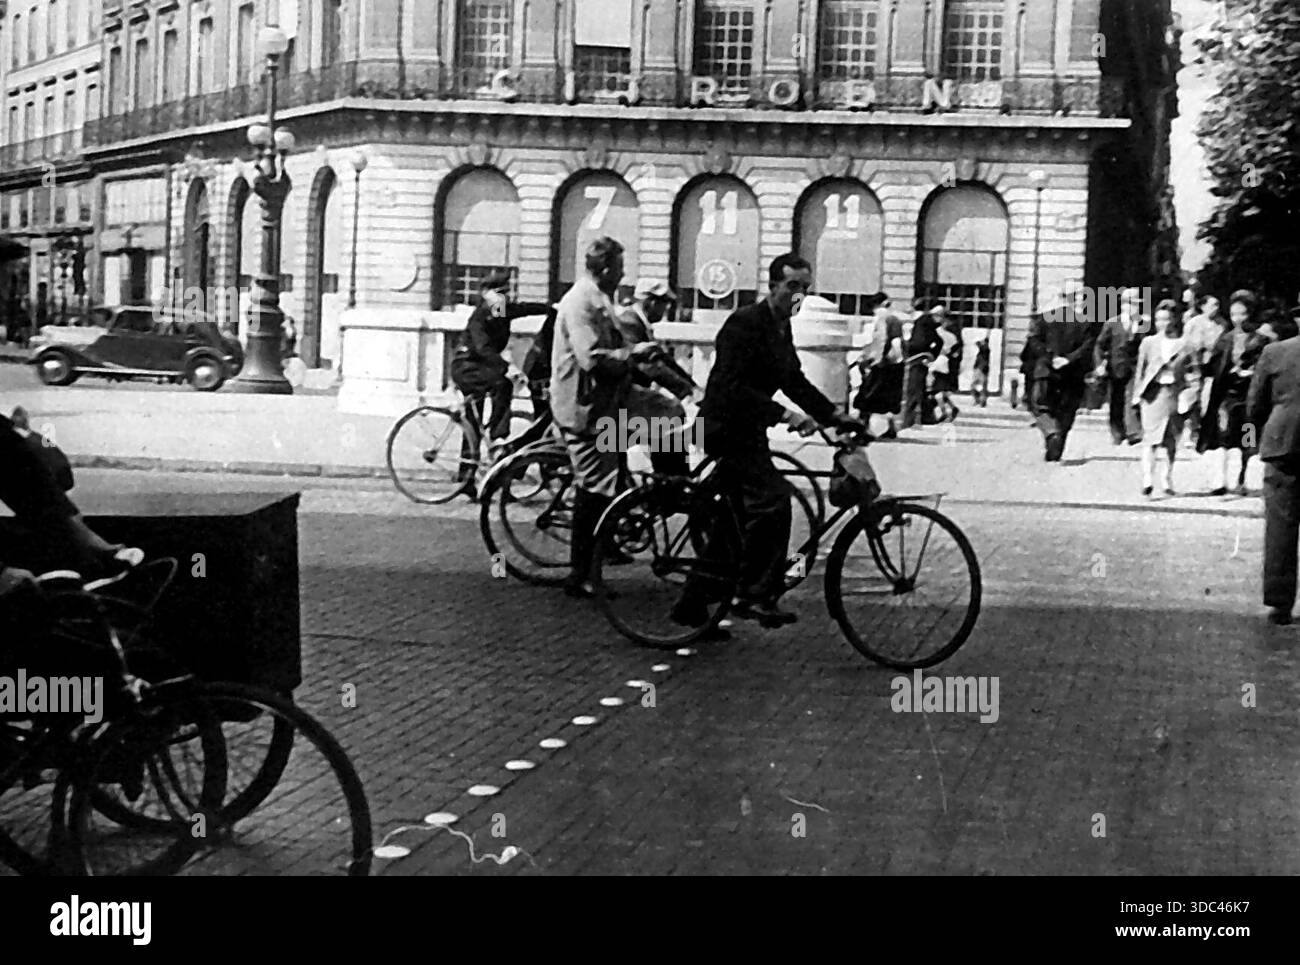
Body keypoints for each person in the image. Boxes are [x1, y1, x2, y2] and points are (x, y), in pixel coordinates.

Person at [671, 253, 860, 631]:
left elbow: (794, 381)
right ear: (772, 285)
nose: (798, 296)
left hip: (746, 431)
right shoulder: (744, 324)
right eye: (792, 286)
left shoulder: (780, 326)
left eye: (805, 288)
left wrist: (832, 415)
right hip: (725, 429)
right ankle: (754, 595)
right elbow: (730, 389)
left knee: (732, 525)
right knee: (773, 503)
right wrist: (784, 415)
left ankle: (691, 605)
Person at [550, 237, 662, 599]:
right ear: (607, 268)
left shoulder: (598, 297)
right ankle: (581, 574)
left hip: (607, 405)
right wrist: (634, 352)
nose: (624, 273)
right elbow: (592, 358)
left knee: (671, 418)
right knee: (596, 488)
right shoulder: (581, 301)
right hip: (586, 411)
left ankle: (668, 487)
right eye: (620, 266)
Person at [450, 271, 552, 495]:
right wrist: (509, 367)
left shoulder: (500, 311)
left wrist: (549, 307)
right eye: (499, 293)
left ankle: (467, 478)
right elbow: (483, 348)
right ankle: (497, 434)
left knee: (472, 426)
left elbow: (523, 309)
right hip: (466, 367)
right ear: (485, 294)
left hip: (482, 369)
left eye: (506, 292)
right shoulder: (480, 316)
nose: (504, 298)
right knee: (502, 384)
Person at [1247, 328, 1300, 624]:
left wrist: (1256, 438)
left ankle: (1280, 603)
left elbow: (1255, 402)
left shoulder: (1275, 352)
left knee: (1281, 525)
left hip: (1282, 442)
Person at [1198, 290, 1273, 496]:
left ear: (1251, 313)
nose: (1238, 318)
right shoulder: (1226, 338)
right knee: (1223, 437)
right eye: (1234, 314)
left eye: (1242, 313)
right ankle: (1219, 480)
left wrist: (1251, 373)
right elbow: (1213, 365)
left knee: (1248, 440)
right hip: (1227, 397)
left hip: (1250, 398)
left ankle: (1242, 477)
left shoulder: (1261, 339)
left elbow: (1266, 366)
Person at [1023, 290, 1101, 462]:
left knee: (1041, 406)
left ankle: (1052, 434)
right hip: (1072, 374)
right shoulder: (1085, 322)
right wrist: (1068, 359)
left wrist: (1051, 358)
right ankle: (1057, 446)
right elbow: (1087, 347)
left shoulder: (1043, 318)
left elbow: (1034, 341)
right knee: (1067, 410)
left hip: (1046, 371)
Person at [1132, 300, 1200, 496]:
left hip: (1174, 395)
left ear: (1175, 320)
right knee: (1150, 438)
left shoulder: (1186, 344)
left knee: (1170, 439)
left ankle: (1166, 477)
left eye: (1167, 319)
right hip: (1152, 395)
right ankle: (1147, 478)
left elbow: (1194, 372)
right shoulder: (1148, 342)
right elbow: (1140, 370)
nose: (1163, 323)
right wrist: (1137, 395)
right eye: (1159, 319)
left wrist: (1192, 393)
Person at [1093, 287, 1147, 447]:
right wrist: (1099, 365)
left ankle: (1133, 433)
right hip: (1115, 368)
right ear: (1123, 305)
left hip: (1135, 368)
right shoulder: (1112, 323)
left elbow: (1146, 344)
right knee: (1116, 400)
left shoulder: (1143, 323)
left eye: (1137, 305)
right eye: (1132, 304)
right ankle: (1117, 432)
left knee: (1132, 399)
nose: (1135, 308)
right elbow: (1099, 345)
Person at [852, 308, 905, 437]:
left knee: (867, 397)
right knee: (888, 401)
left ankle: (862, 427)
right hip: (892, 368)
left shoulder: (883, 325)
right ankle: (890, 428)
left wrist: (870, 360)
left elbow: (880, 344)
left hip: (880, 367)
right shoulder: (896, 332)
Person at [1183, 295, 1228, 446]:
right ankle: (1191, 430)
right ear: (1202, 306)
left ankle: (1210, 432)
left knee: (1209, 399)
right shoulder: (1193, 323)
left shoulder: (1222, 324)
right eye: (1212, 305)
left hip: (1213, 367)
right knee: (1192, 399)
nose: (1215, 308)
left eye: (1217, 305)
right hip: (1194, 365)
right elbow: (1186, 345)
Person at [900, 300, 944, 429]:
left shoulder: (922, 321)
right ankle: (922, 417)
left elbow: (920, 342)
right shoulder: (925, 321)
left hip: (916, 358)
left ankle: (909, 420)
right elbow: (938, 341)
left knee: (913, 391)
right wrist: (931, 355)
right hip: (920, 358)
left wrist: (928, 354)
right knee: (918, 390)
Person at [931, 312, 963, 423]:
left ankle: (944, 412)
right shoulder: (952, 336)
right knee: (941, 390)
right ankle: (952, 408)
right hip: (946, 364)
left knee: (937, 390)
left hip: (938, 363)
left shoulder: (937, 333)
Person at [971, 337, 991, 407]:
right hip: (981, 368)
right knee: (979, 385)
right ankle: (980, 400)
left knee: (977, 385)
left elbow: (982, 348)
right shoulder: (985, 350)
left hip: (981, 369)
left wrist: (979, 344)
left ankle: (980, 400)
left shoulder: (985, 349)